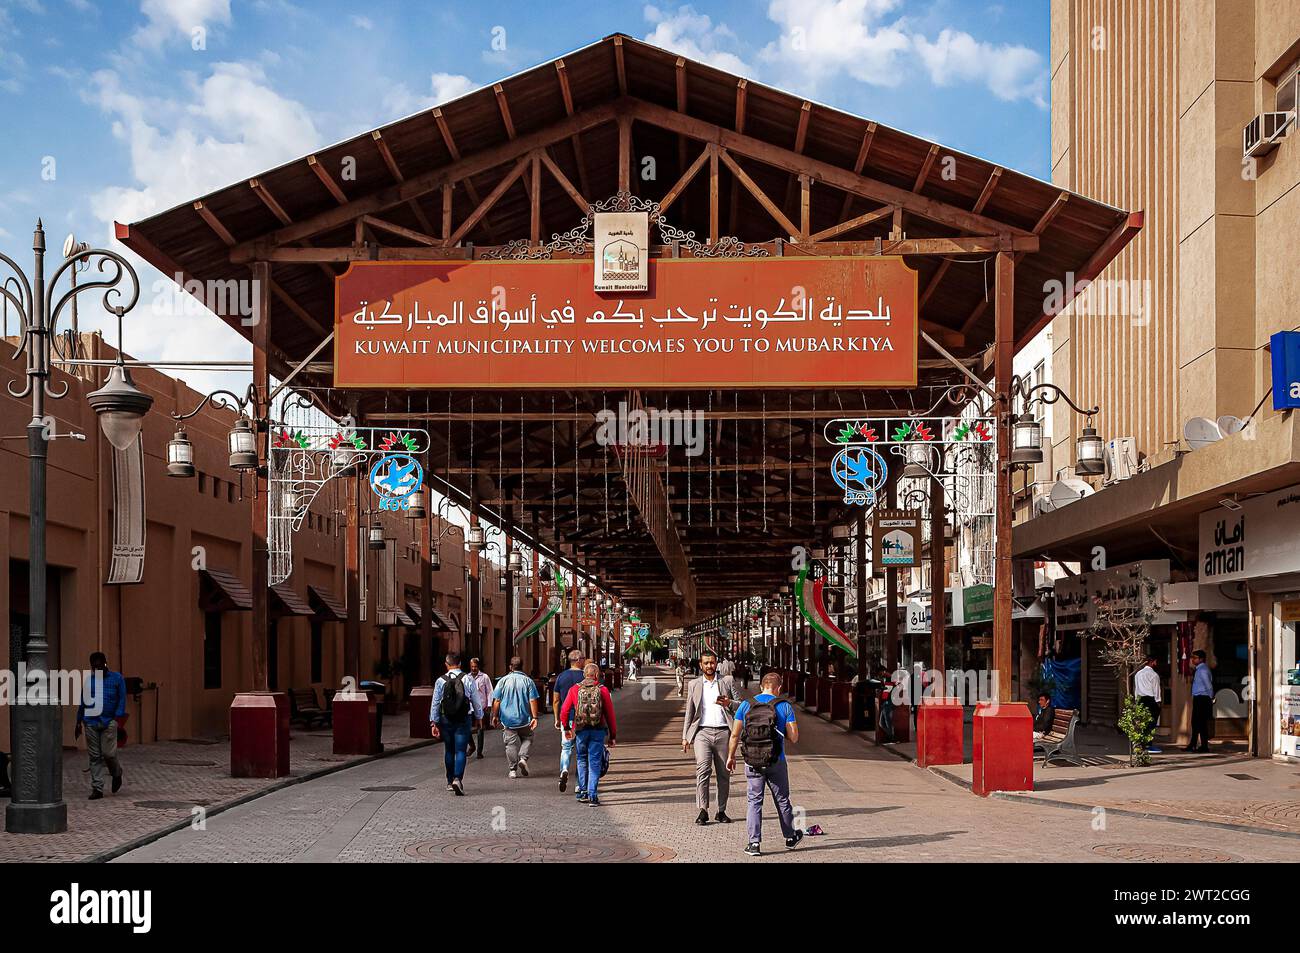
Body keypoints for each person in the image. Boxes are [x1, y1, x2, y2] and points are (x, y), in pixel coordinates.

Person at [727, 671, 801, 857]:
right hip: (777, 761)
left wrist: (731, 756)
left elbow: (735, 735)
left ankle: (754, 844)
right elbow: (794, 737)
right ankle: (790, 837)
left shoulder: (745, 705)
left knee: (754, 801)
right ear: (779, 688)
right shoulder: (785, 707)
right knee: (782, 800)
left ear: (761, 686)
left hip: (752, 760)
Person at [682, 648, 738, 825]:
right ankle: (703, 810)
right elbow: (689, 712)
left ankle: (721, 811)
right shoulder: (694, 685)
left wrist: (729, 703)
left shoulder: (727, 681)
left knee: (724, 773)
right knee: (703, 769)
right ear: (701, 665)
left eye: (712, 662)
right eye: (706, 663)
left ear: (717, 664)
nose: (709, 666)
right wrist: (685, 736)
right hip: (702, 733)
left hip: (723, 732)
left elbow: (742, 706)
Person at [559, 661, 617, 805]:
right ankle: (593, 795)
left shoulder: (574, 689)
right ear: (597, 675)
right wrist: (613, 735)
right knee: (595, 762)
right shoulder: (603, 690)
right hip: (598, 731)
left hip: (580, 730)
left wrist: (566, 728)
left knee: (581, 759)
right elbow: (610, 714)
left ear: (584, 674)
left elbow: (564, 710)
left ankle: (582, 792)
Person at [75, 652, 127, 800]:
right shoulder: (89, 682)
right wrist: (78, 722)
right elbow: (83, 703)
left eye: (100, 665)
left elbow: (122, 699)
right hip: (91, 722)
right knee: (95, 756)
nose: (97, 669)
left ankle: (116, 773)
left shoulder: (117, 678)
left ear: (105, 664)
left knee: (108, 754)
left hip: (109, 721)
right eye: (94, 667)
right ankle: (97, 788)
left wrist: (117, 718)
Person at [430, 653, 484, 795]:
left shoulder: (440, 681)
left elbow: (435, 703)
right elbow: (476, 700)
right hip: (463, 719)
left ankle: (449, 781)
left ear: (446, 664)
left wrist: (434, 723)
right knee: (461, 750)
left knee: (449, 750)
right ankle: (457, 779)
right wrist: (479, 718)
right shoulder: (468, 679)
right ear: (460, 664)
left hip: (446, 719)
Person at [491, 655, 540, 779]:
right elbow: (533, 700)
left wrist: (494, 716)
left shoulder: (503, 681)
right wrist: (535, 717)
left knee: (510, 744)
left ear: (510, 667)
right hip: (524, 719)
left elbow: (497, 700)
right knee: (528, 737)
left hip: (508, 720)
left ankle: (512, 770)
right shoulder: (528, 681)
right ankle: (523, 758)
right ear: (522, 667)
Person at [551, 649, 586, 792]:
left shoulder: (561, 677)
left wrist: (557, 718)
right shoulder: (586, 676)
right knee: (581, 752)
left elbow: (555, 700)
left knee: (566, 748)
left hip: (566, 719)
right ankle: (579, 784)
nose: (584, 660)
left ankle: (564, 769)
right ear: (578, 660)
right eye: (583, 658)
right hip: (583, 720)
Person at [1134, 654, 1163, 753]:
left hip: (1140, 699)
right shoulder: (1154, 675)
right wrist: (1158, 702)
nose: (1156, 663)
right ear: (1153, 662)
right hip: (1151, 700)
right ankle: (1148, 745)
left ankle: (1140, 744)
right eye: (1155, 661)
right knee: (1151, 723)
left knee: (1142, 723)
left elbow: (1136, 689)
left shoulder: (1138, 674)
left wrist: (1136, 701)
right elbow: (1156, 690)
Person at [465, 658, 493, 759]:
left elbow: (490, 691)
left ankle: (479, 752)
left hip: (482, 707)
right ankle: (472, 746)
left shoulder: (484, 677)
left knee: (480, 729)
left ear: (478, 667)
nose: (473, 669)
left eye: (475, 667)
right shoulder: (466, 677)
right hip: (470, 708)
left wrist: (489, 705)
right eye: (472, 667)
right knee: (466, 729)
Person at [1188, 649, 1213, 753]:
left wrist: (1210, 697)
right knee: (1196, 722)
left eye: (1195, 658)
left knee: (1201, 723)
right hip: (1199, 698)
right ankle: (1193, 744)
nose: (1193, 660)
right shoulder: (1199, 669)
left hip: (1202, 698)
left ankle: (1204, 746)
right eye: (1192, 657)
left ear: (1201, 659)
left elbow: (1208, 685)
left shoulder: (1202, 670)